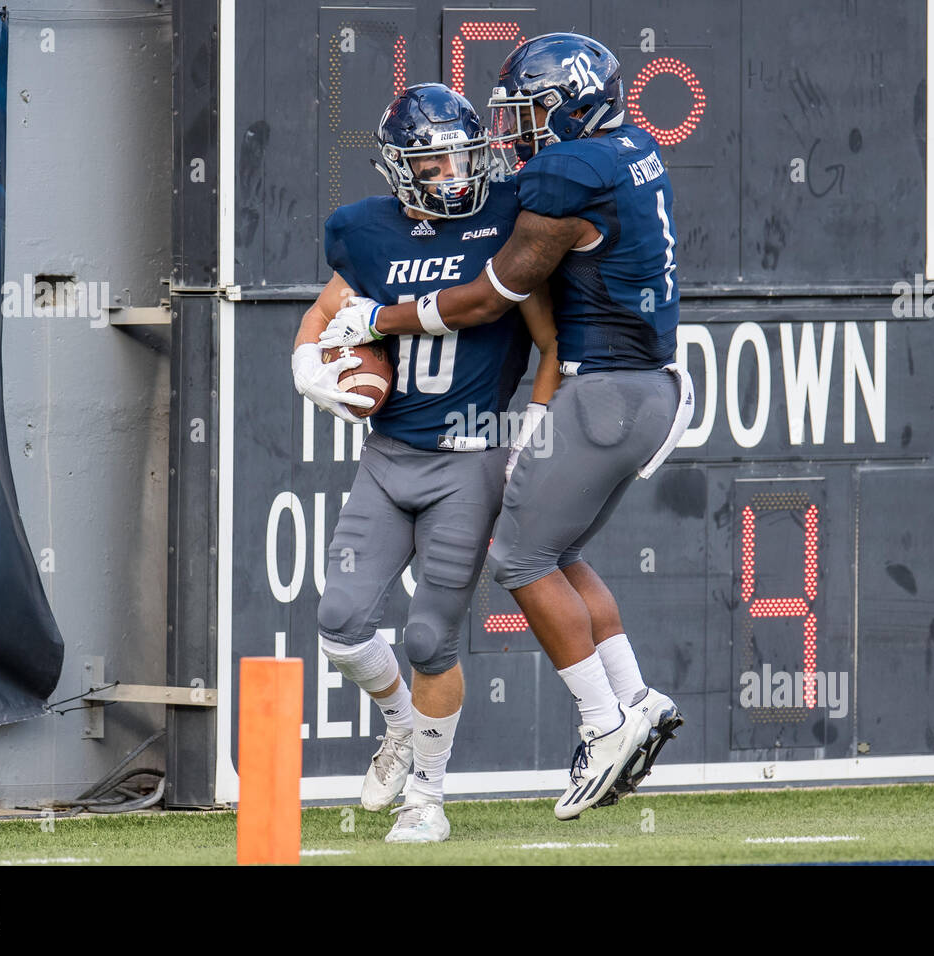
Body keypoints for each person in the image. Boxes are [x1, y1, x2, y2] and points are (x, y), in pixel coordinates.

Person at [320, 33, 694, 821]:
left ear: (572, 104)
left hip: (602, 389)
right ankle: (637, 698)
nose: (517, 133)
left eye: (528, 114)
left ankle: (603, 724)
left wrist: (380, 317)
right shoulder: (631, 149)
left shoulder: (564, 175)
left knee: (521, 560)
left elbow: (491, 297)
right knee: (558, 552)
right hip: (649, 384)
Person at [292, 82, 559, 842]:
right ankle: (402, 724)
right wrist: (307, 362)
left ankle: (429, 799)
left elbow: (548, 340)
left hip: (468, 459)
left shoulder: (505, 221)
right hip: (388, 454)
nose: (452, 175)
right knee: (339, 623)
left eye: (460, 157)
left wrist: (533, 432)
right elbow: (324, 310)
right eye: (433, 162)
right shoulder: (369, 234)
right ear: (402, 169)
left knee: (427, 640)